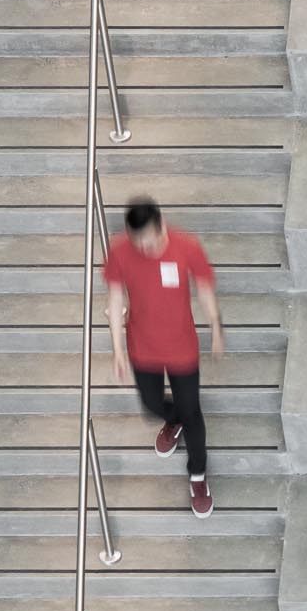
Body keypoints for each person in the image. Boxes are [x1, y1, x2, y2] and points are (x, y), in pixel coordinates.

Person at [103, 198, 223, 519]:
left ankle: (198, 475)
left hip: (182, 347)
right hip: (142, 347)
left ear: (162, 225)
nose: (144, 247)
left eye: (150, 240)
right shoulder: (119, 252)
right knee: (152, 406)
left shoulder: (186, 247)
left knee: (193, 413)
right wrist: (116, 348)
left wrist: (215, 324)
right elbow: (115, 299)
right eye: (137, 241)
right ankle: (175, 418)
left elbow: (205, 286)